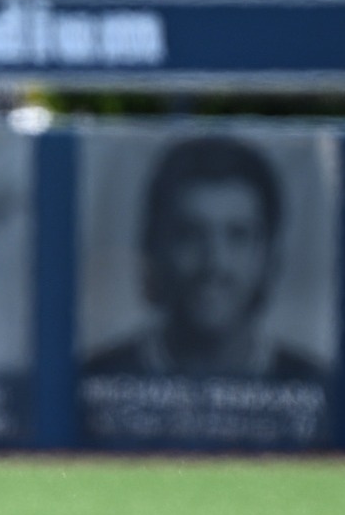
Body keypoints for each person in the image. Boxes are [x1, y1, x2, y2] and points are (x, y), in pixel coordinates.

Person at [81, 136, 324, 381]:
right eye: (190, 235)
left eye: (238, 236)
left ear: (270, 256)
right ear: (154, 248)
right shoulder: (95, 380)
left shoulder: (314, 386)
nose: (215, 263)